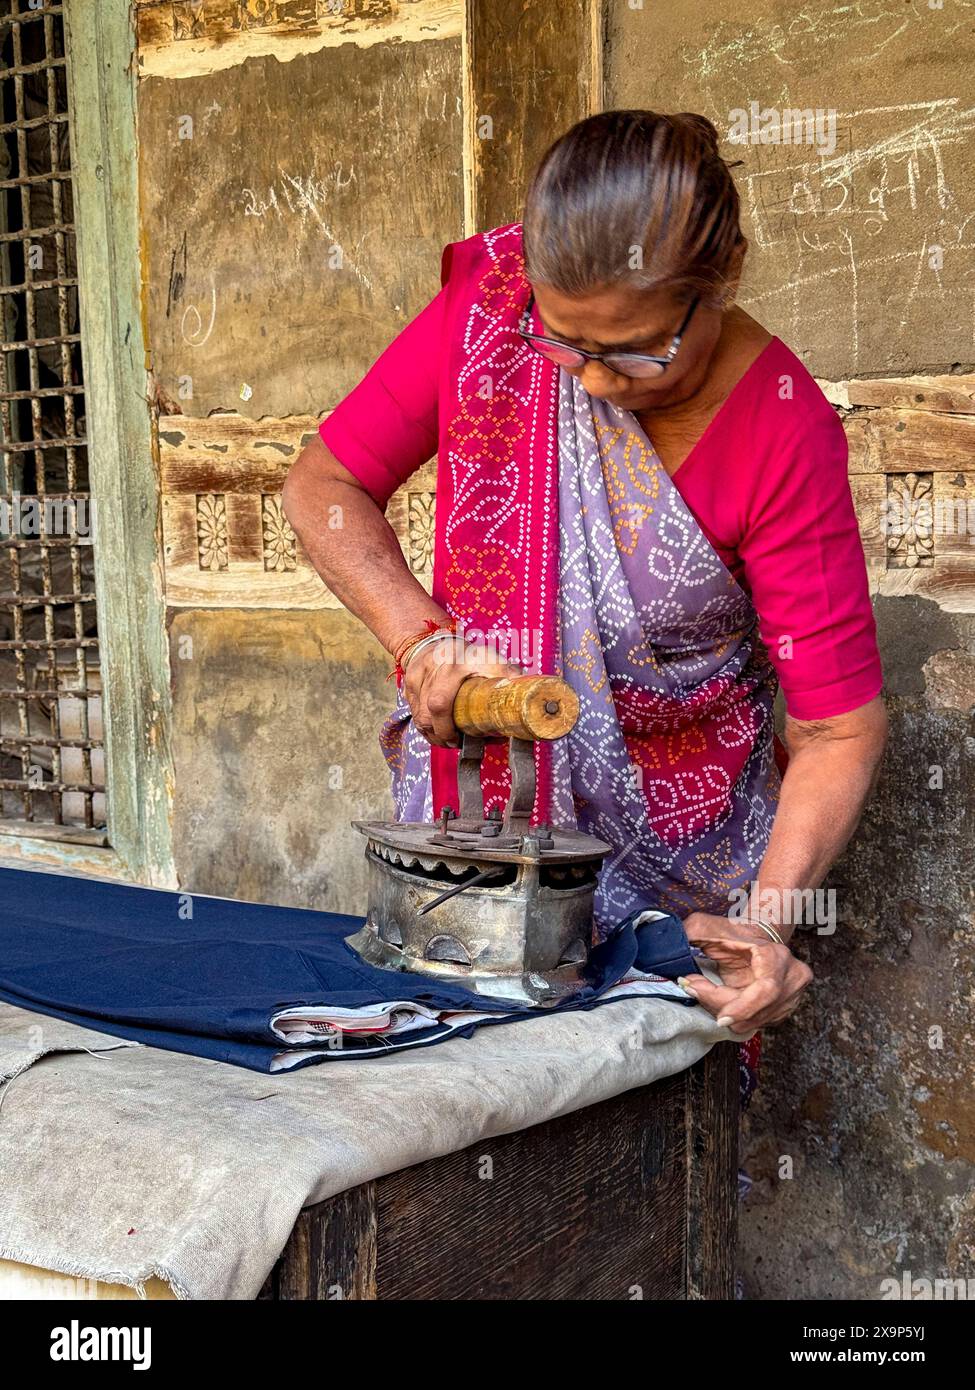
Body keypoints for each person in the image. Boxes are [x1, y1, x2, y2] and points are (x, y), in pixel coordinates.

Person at [283, 111, 887, 1099]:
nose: (595, 380)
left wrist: (768, 924)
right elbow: (322, 488)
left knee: (624, 1155)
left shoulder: (781, 428)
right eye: (562, 343)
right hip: (474, 852)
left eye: (638, 352)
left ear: (723, 277)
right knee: (443, 1113)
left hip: (676, 889)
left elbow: (837, 729)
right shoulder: (488, 315)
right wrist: (425, 644)